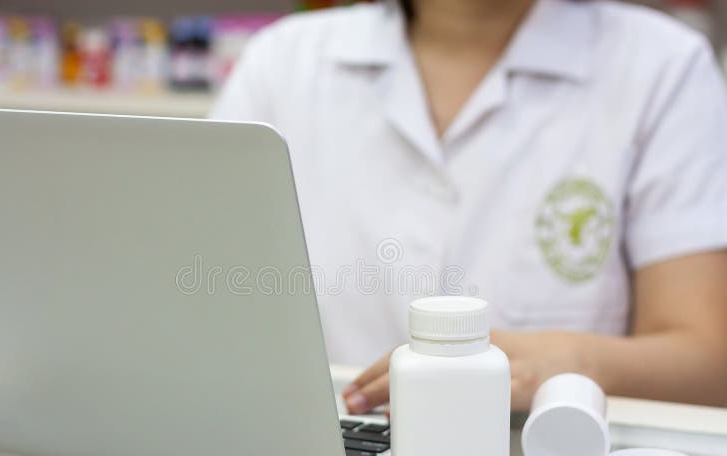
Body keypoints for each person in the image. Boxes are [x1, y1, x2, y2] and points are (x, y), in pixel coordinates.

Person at [210, 0, 727, 412]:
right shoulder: (282, 62)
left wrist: (574, 364)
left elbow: (708, 361)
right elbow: (199, 302)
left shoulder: (662, 66)